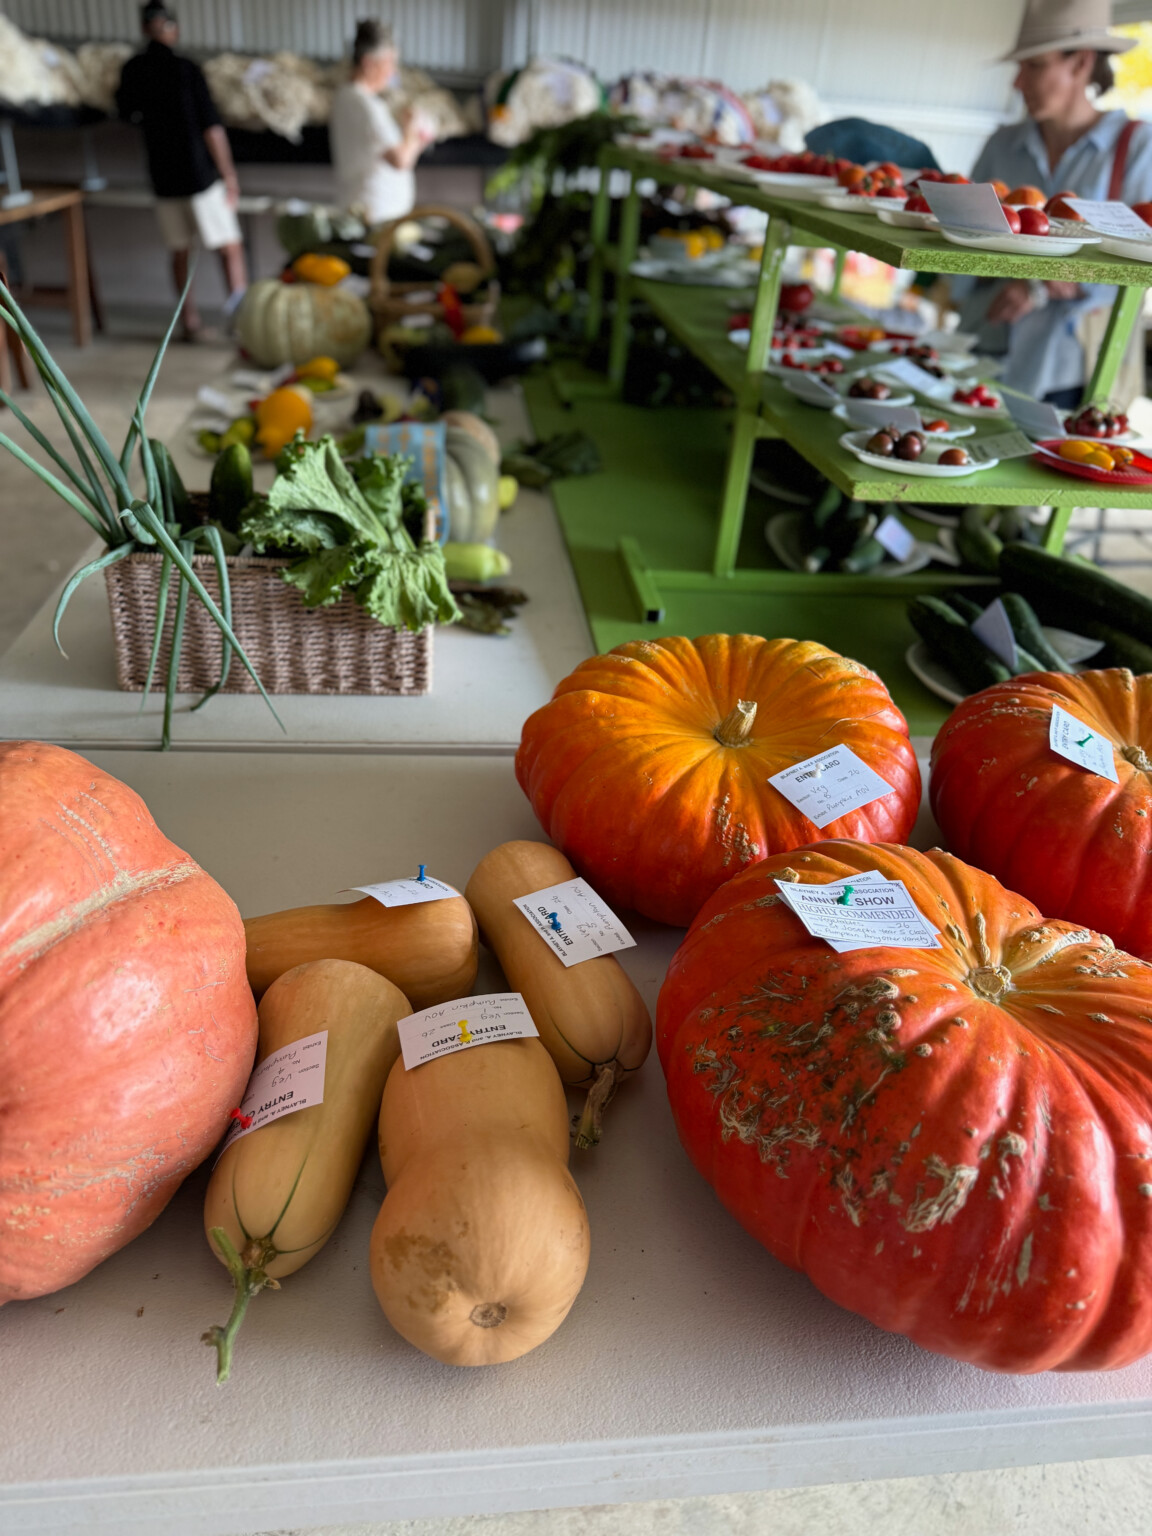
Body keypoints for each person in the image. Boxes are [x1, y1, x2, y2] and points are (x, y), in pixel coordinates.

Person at [955, 0, 1152, 407]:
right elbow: (960, 237)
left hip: (1069, 371)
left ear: (1080, 63)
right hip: (984, 347)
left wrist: (1038, 287)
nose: (1017, 82)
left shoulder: (1137, 149)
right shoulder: (1002, 145)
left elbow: (1140, 261)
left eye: (1034, 66)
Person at [116, 1, 247, 342]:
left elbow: (125, 113)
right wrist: (229, 175)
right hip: (199, 176)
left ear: (144, 28)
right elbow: (212, 128)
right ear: (173, 29)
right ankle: (243, 321)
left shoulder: (133, 69)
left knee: (180, 251)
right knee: (228, 246)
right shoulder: (187, 68)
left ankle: (189, 323)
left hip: (162, 177)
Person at [328, 20, 433, 226]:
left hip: (371, 214)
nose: (393, 72)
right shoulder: (364, 105)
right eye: (390, 63)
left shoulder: (345, 97)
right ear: (368, 63)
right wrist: (413, 130)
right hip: (374, 218)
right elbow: (400, 160)